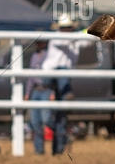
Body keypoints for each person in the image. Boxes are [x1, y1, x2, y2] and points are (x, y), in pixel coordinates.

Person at [41, 15, 82, 156]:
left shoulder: (75, 40)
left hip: (62, 79)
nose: (65, 31)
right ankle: (63, 136)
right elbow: (71, 40)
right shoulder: (57, 38)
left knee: (60, 116)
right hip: (50, 77)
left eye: (68, 28)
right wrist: (85, 32)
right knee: (47, 117)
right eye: (64, 28)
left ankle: (57, 150)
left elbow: (88, 42)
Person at [26, 42, 53, 155]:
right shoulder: (34, 56)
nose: (38, 45)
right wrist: (28, 93)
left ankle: (61, 140)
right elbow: (31, 77)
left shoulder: (50, 55)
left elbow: (53, 75)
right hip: (36, 90)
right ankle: (39, 150)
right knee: (35, 121)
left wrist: (52, 91)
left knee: (46, 119)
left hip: (46, 90)